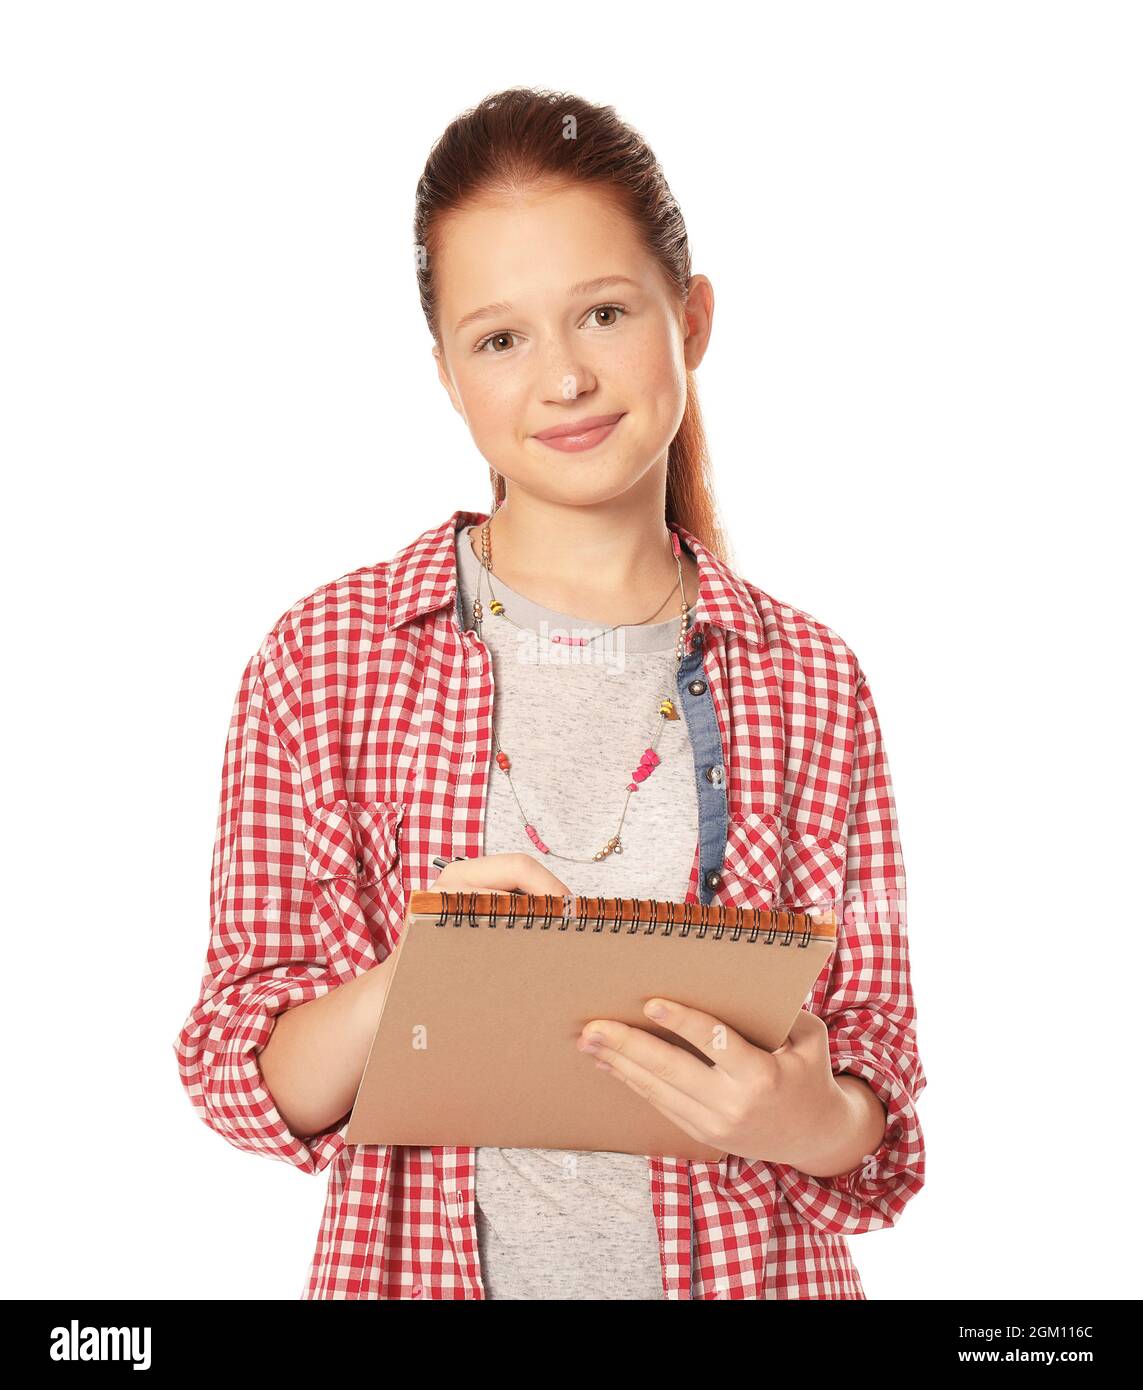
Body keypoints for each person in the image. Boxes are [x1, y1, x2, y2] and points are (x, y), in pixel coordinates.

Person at [172, 85, 926, 1300]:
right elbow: (239, 1072)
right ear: (447, 375)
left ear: (693, 317)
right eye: (501, 338)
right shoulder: (325, 660)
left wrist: (802, 1118)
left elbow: (877, 1079)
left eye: (606, 313)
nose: (564, 378)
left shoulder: (811, 679)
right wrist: (410, 980)